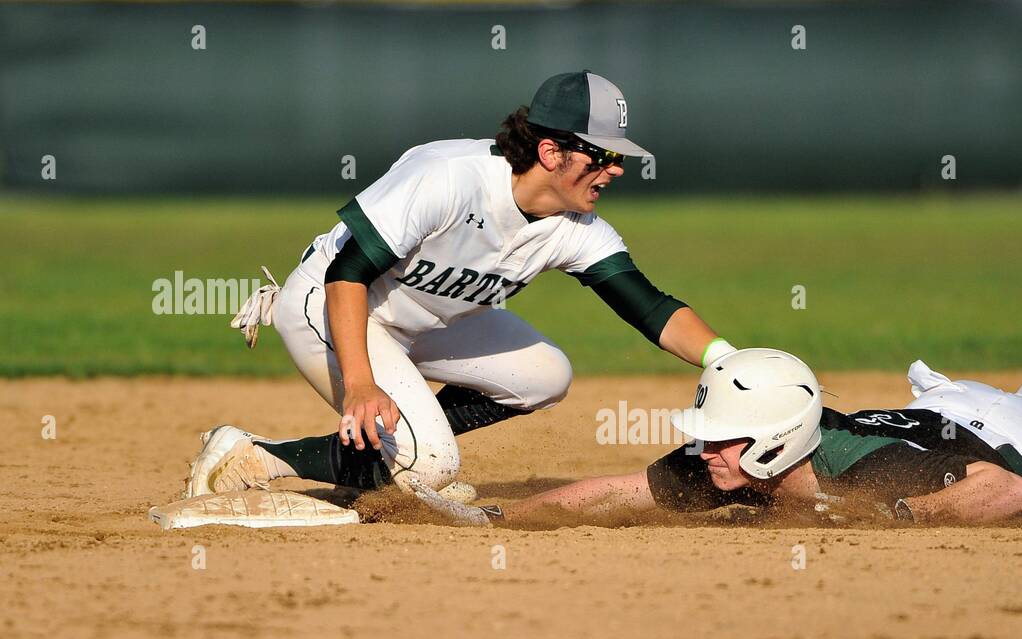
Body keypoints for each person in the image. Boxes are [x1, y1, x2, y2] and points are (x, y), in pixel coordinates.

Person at [184, 70, 735, 517]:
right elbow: (347, 273)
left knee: (547, 376)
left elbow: (652, 309)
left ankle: (393, 461)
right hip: (333, 307)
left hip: (424, 322)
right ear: (550, 151)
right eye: (603, 156)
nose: (615, 169)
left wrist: (729, 361)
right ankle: (255, 454)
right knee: (431, 469)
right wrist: (360, 384)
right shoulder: (448, 176)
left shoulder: (574, 228)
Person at [508, 201, 1022, 525]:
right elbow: (614, 492)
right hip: (959, 410)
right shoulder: (744, 456)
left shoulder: (869, 473)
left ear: (772, 441)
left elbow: (1008, 490)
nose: (708, 447)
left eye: (724, 433)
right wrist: (506, 517)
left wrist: (912, 515)